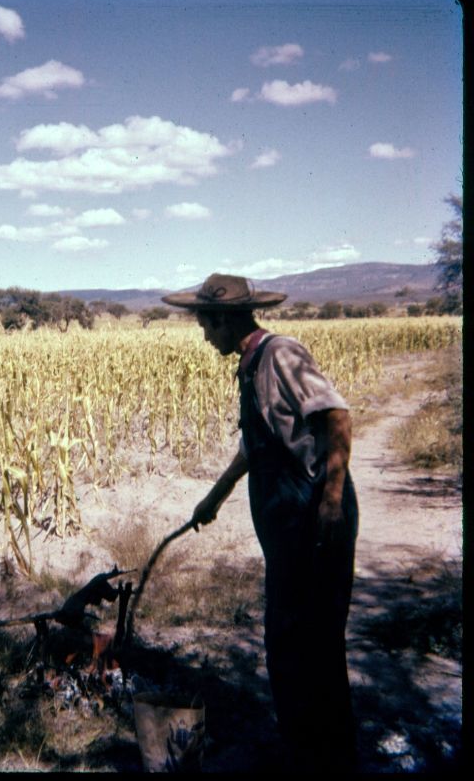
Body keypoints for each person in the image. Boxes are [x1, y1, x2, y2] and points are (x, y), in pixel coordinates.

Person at [162, 273, 359, 772]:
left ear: (226, 321)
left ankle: (328, 755)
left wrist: (332, 498)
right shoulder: (250, 366)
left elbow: (336, 417)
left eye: (206, 327)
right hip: (287, 523)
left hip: (313, 514)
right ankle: (303, 746)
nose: (205, 338)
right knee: (287, 636)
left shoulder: (280, 355)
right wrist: (215, 495)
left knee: (314, 639)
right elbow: (257, 445)